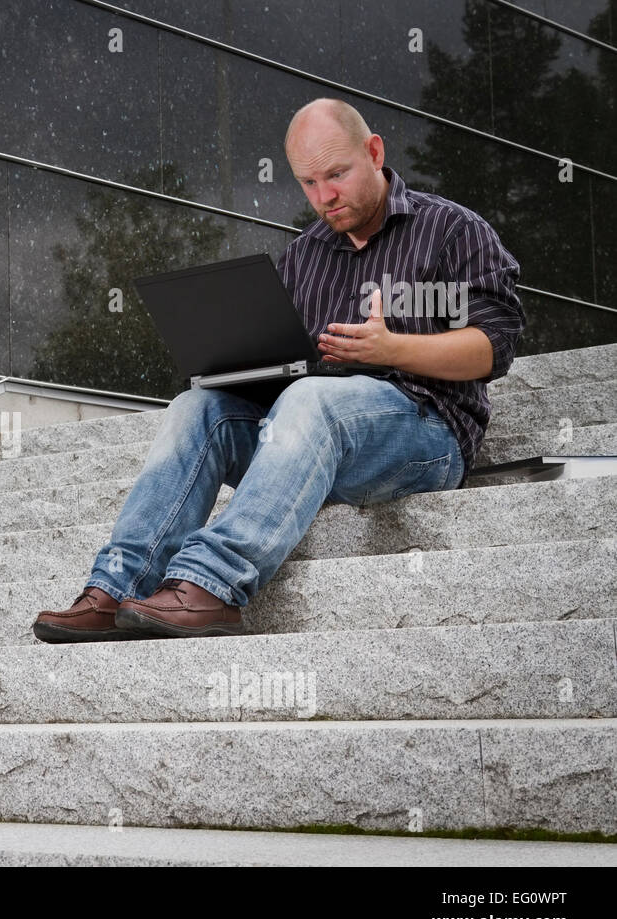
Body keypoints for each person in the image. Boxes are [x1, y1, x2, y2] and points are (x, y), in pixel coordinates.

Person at [32, 97, 527, 643]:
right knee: (198, 408)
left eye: (336, 175)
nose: (324, 197)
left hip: (426, 431)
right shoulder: (304, 255)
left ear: (374, 152)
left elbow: (493, 346)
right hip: (307, 435)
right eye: (308, 183)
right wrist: (237, 369)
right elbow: (288, 369)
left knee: (313, 399)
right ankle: (119, 587)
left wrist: (391, 349)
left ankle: (211, 585)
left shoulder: (451, 231)